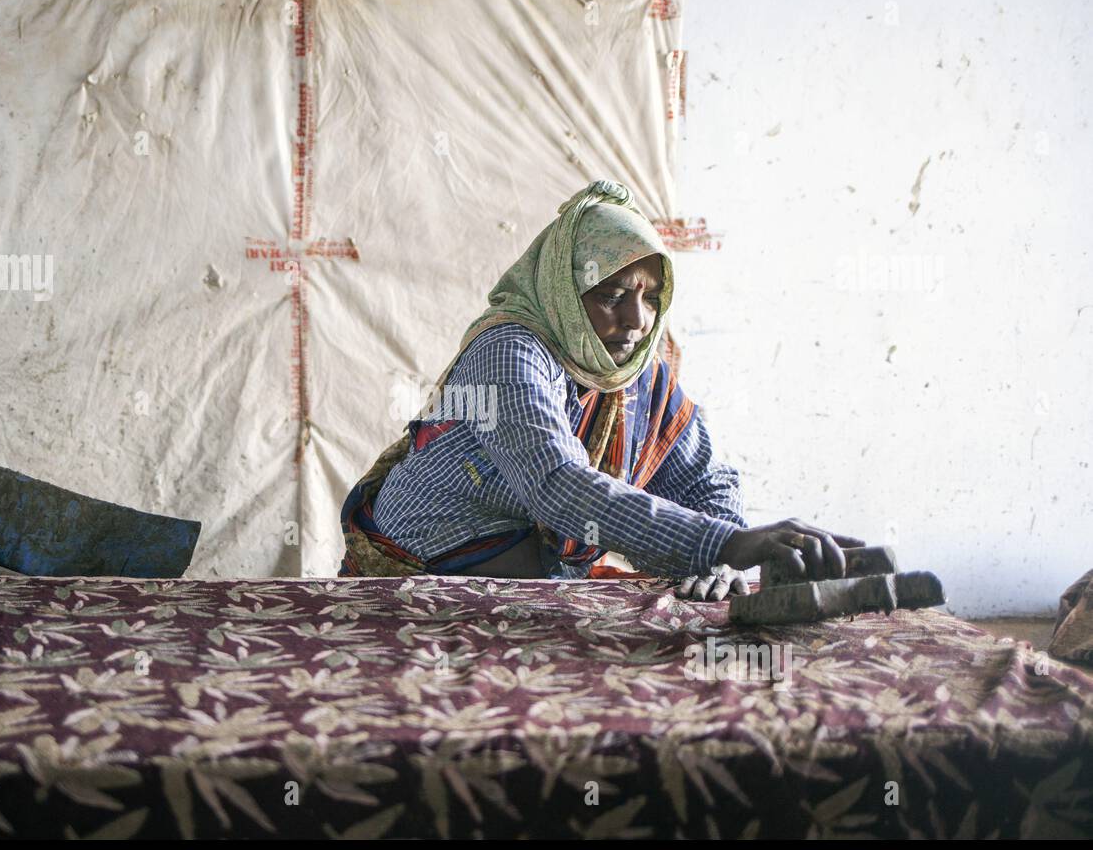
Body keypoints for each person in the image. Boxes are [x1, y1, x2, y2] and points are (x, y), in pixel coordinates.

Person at [337, 180, 862, 600]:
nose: (637, 320)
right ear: (561, 290)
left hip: (537, 596)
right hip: (414, 585)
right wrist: (725, 542)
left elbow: (701, 478)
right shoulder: (507, 351)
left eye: (652, 297)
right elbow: (559, 484)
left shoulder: (636, 372)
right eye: (612, 295)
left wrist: (723, 556)